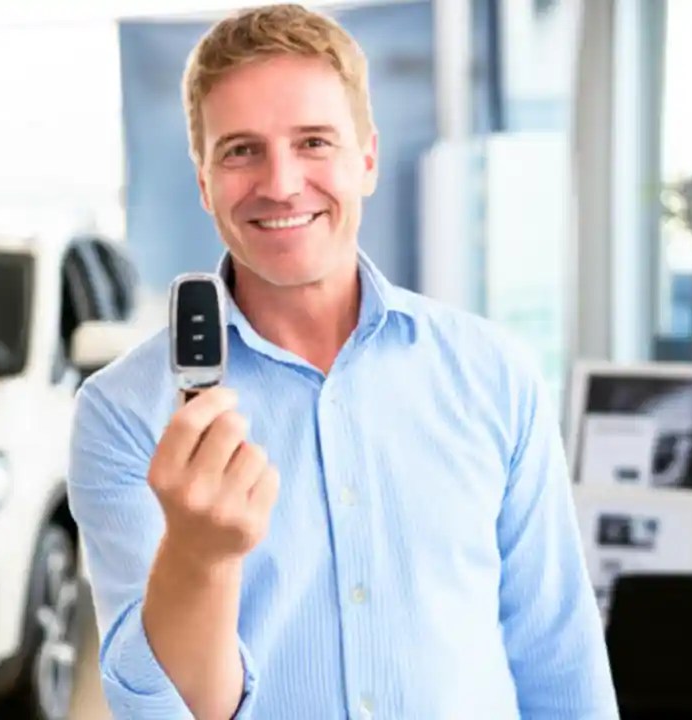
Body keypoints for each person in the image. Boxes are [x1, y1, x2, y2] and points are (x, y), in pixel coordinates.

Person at [67, 5, 617, 719]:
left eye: (314, 142)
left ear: (367, 159)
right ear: (203, 183)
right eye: (241, 151)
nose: (281, 183)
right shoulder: (122, 414)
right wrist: (200, 559)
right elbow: (164, 712)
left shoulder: (494, 374)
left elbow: (558, 653)